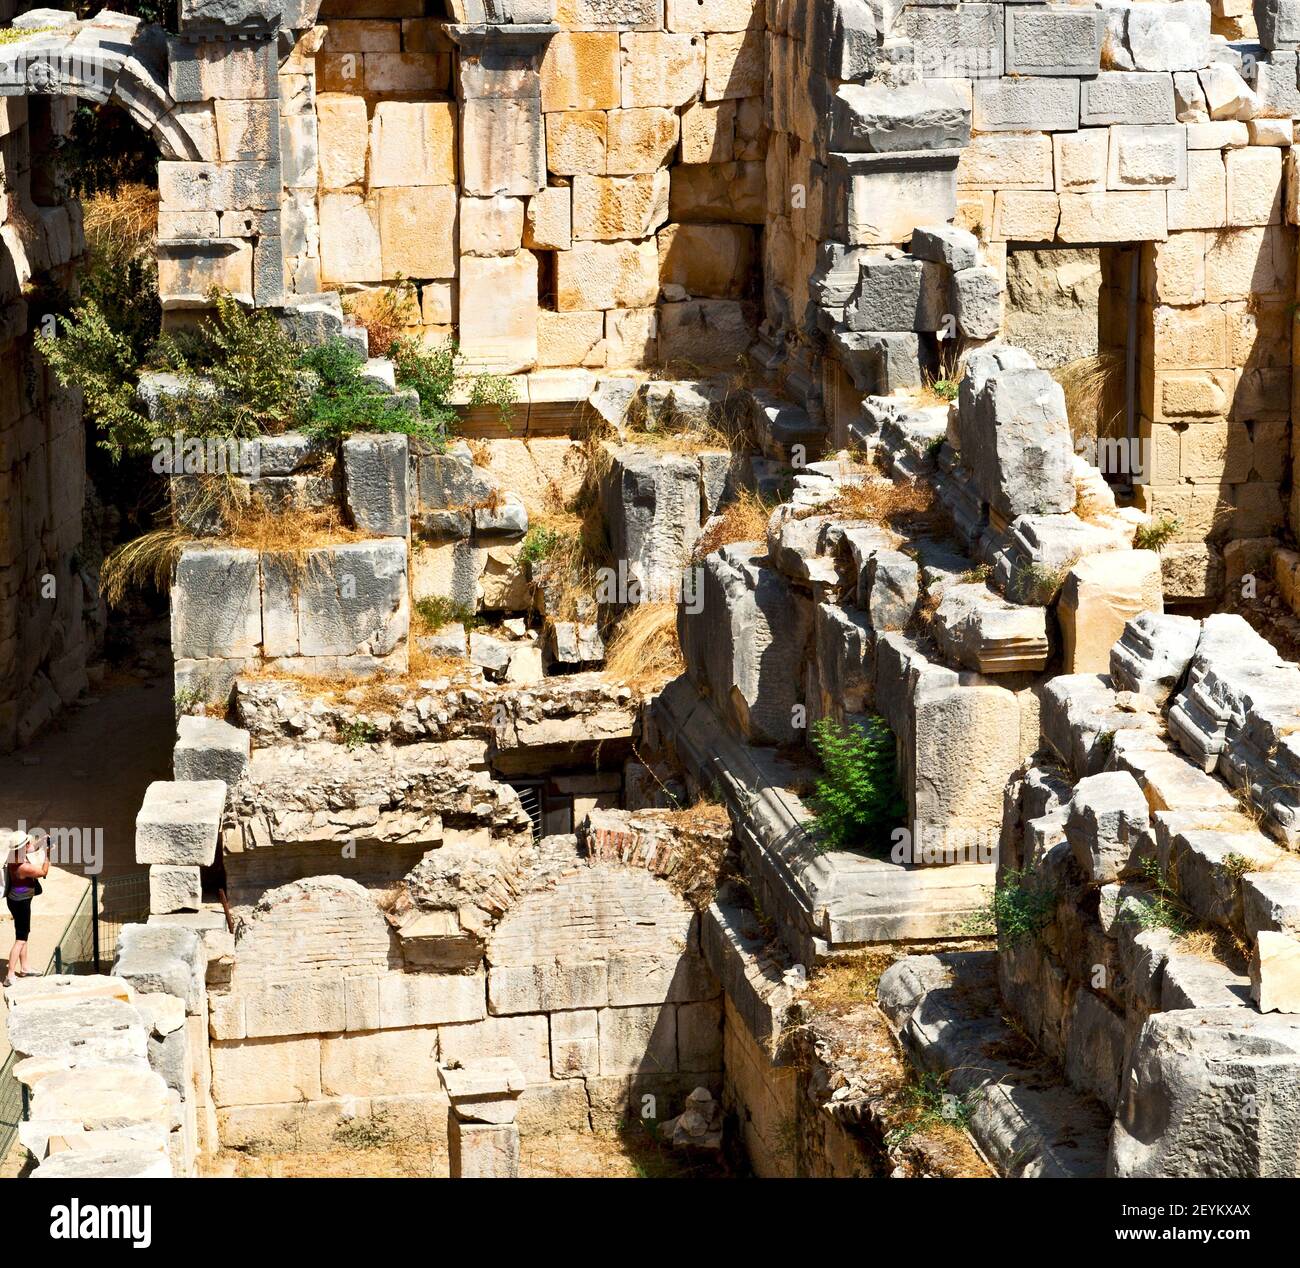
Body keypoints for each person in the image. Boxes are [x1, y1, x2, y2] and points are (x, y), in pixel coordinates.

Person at [5, 831, 49, 988]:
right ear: (22, 847)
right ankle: (10, 975)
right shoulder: (23, 867)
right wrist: (48, 854)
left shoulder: (14, 855)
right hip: (22, 903)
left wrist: (41, 842)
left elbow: (31, 848)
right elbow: (43, 872)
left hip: (14, 899)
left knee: (22, 933)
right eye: (27, 843)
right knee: (20, 939)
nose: (30, 845)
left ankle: (24, 968)